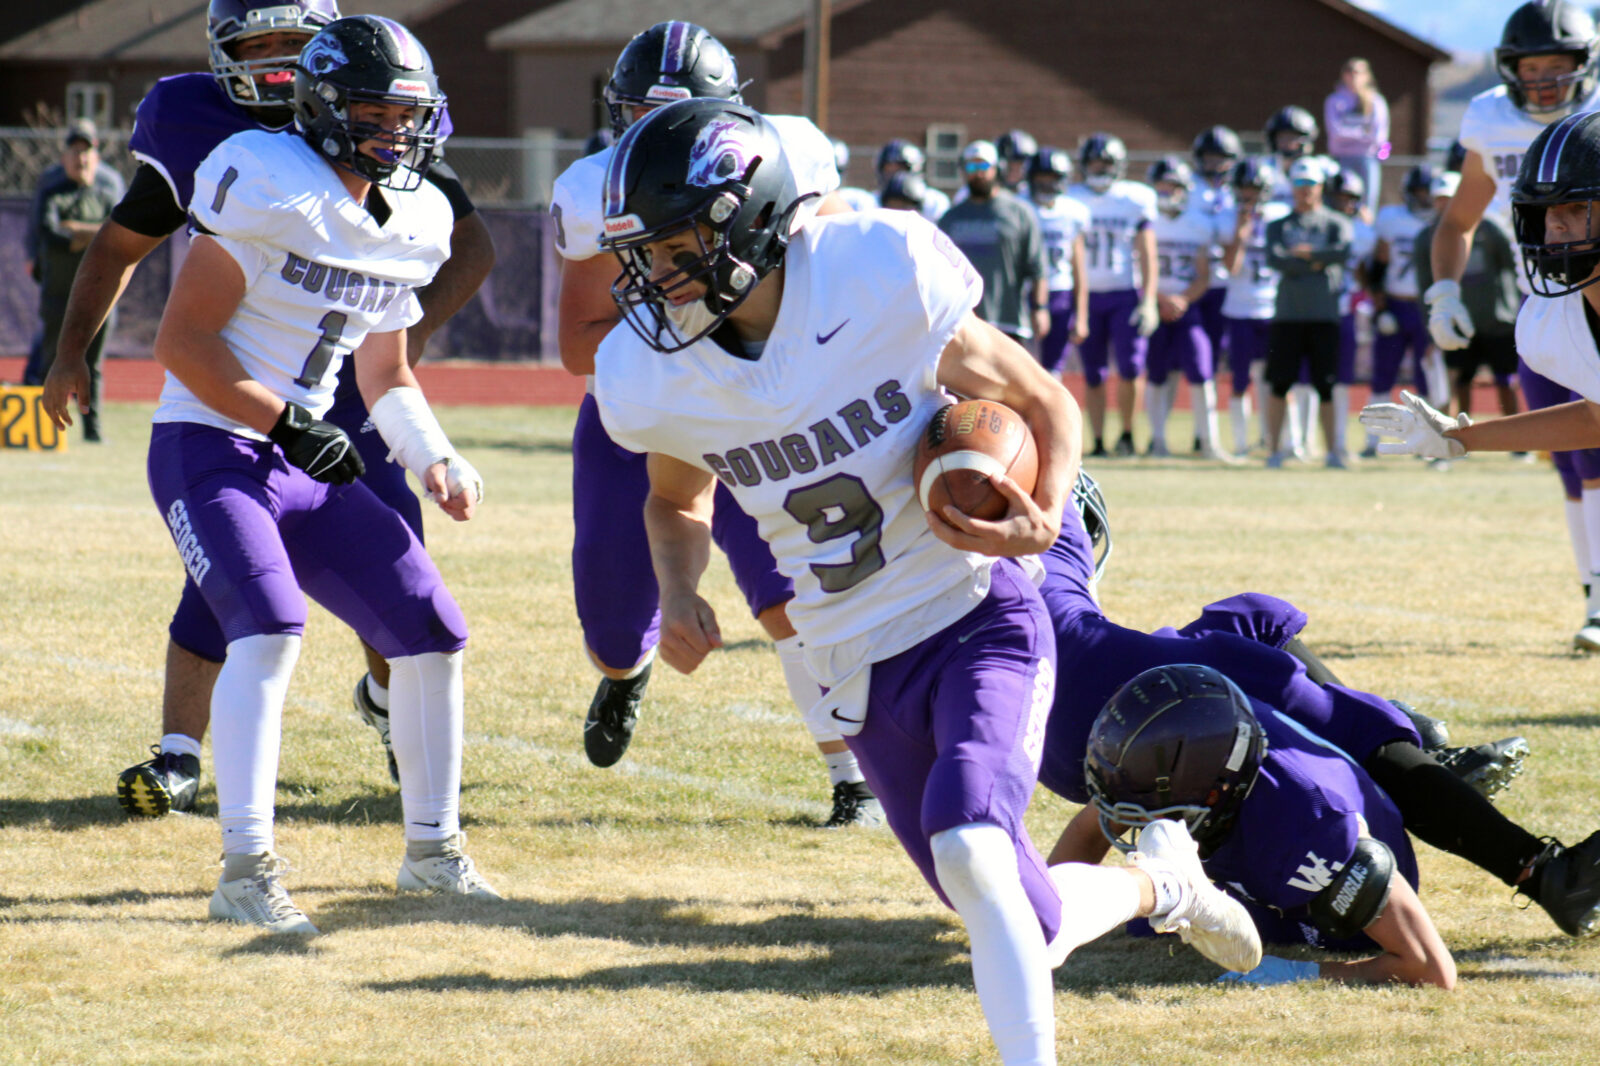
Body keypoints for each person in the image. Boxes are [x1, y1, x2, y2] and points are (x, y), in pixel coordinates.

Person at [591, 97, 1261, 1066]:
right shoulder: (663, 375)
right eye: (642, 250)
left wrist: (1045, 512)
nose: (654, 273)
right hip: (850, 660)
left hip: (974, 613)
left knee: (972, 848)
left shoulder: (874, 273)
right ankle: (1162, 883)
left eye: (674, 241)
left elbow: (1040, 397)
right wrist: (678, 585)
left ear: (750, 219)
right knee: (1008, 914)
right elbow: (673, 501)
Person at [42, 0, 495, 817]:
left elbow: (458, 257)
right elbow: (133, 268)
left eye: (298, 42)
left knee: (405, 582)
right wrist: (71, 351)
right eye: (264, 44)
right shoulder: (234, 149)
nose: (282, 58)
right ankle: (191, 765)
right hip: (230, 398)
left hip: (340, 384)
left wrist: (403, 350)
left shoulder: (390, 137)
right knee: (240, 582)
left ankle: (401, 725)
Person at [148, 15, 499, 933]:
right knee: (267, 628)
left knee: (432, 632)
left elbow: (385, 374)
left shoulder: (416, 213)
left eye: (408, 116)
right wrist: (290, 424)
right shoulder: (263, 178)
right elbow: (181, 343)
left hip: (306, 454)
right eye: (378, 114)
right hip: (213, 444)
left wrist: (434, 456)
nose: (397, 133)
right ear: (327, 108)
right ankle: (245, 871)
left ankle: (433, 852)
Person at [547, 21, 882, 828]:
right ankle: (625, 676)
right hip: (652, 406)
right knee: (614, 624)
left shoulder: (788, 153)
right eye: (641, 119)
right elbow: (578, 344)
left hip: (763, 399)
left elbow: (837, 271)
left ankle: (853, 778)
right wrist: (689, 357)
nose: (659, 138)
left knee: (787, 589)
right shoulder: (597, 188)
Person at [1072, 664, 1600, 987]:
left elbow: (1431, 968)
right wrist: (1045, 907)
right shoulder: (1213, 742)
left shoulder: (1311, 828)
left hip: (1320, 900)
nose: (1123, 814)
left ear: (1214, 789)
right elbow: (1097, 818)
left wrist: (1299, 973)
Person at [1427, 0, 1600, 649]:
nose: (1545, 80)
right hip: (1548, 298)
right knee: (1572, 456)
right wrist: (1444, 289)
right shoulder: (1488, 119)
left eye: (1559, 66)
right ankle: (1593, 593)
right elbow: (1459, 220)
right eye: (1532, 67)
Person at [29, 120, 125, 442]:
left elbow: (121, 235)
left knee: (93, 367)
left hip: (100, 297)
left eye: (87, 152)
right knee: (50, 361)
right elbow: (52, 234)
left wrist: (79, 231)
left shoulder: (109, 190)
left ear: (96, 157)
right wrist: (97, 233)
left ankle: (93, 432)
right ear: (64, 156)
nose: (81, 158)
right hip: (58, 295)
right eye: (75, 151)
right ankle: (42, 432)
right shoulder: (52, 190)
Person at [1067, 132, 1160, 458]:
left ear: (1118, 165)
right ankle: (1097, 441)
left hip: (1124, 293)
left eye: (1105, 162)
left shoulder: (1134, 198)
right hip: (1087, 296)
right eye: (1094, 162)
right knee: (1093, 373)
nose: (1099, 167)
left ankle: (1127, 434)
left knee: (1132, 367)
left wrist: (1149, 299)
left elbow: (1148, 252)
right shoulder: (1072, 197)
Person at [1263, 157, 1352, 467]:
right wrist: (1317, 262)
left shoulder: (1335, 222)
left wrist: (1305, 254)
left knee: (1326, 385)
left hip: (1323, 314)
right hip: (1287, 314)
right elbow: (1275, 259)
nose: (1305, 191)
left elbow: (1341, 252)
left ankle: (1332, 451)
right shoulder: (1279, 225)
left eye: (1310, 185)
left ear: (1320, 186)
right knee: (1279, 383)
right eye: (1299, 184)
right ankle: (1273, 451)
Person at [1414, 171, 1522, 424]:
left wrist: (1512, 310)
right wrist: (1432, 326)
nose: (1443, 204)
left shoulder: (1491, 228)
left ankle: (1519, 443)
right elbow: (1424, 286)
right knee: (1458, 380)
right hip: (1458, 319)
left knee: (1506, 378)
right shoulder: (1426, 237)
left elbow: (1514, 268)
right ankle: (1459, 438)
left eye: (1448, 198)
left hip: (1496, 320)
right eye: (1439, 198)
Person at [1142, 155, 1227, 460]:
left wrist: (1182, 299)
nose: (1169, 193)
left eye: (1174, 187)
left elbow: (1204, 275)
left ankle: (1209, 442)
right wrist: (1160, 299)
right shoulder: (1146, 220)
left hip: (1186, 307)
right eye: (1163, 187)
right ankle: (1157, 441)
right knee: (1156, 373)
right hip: (1153, 305)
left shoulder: (1198, 225)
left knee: (1202, 368)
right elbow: (1136, 268)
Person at [1363, 163, 1442, 457]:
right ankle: (1373, 441)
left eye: (1427, 193)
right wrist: (1380, 305)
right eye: (1419, 192)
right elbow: (1378, 265)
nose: (1423, 198)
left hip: (1426, 307)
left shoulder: (1443, 220)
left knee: (1427, 377)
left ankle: (1426, 443)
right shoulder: (1391, 219)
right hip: (1396, 304)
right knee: (1383, 373)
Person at [938, 140, 1049, 346]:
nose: (978, 173)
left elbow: (1037, 268)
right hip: (963, 322)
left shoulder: (1019, 213)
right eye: (971, 167)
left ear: (997, 169)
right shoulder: (950, 218)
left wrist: (1040, 308)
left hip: (1009, 319)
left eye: (983, 166)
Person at [1220, 157, 1289, 456]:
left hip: (1274, 309)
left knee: (1278, 379)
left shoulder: (1281, 215)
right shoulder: (1226, 217)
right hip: (1240, 309)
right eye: (1244, 188)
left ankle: (1281, 440)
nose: (1248, 195)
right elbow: (1229, 268)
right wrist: (1240, 233)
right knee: (1239, 380)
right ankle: (1240, 444)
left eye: (1254, 189)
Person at [1020, 146, 1090, 380]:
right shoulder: (1019, 207)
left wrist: (1081, 315)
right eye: (1041, 178)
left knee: (1053, 370)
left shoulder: (1073, 212)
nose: (1047, 184)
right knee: (1018, 364)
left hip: (1060, 292)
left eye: (1053, 178)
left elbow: (1079, 267)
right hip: (1023, 292)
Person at [1325, 166, 1376, 463]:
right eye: (1339, 197)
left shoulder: (1365, 232)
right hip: (1320, 308)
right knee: (1311, 378)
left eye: (1349, 197)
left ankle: (1340, 442)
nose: (1344, 203)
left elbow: (1366, 272)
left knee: (1343, 378)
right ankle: (1304, 441)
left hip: (1348, 308)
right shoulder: (1320, 224)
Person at [1190, 126, 1241, 384]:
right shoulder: (1190, 188)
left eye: (1221, 158)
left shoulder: (1237, 192)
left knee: (1219, 350)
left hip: (1225, 279)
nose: (1215, 164)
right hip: (1192, 277)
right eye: (1210, 158)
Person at [1324, 58, 1390, 215]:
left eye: (1358, 72)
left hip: (1368, 160)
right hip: (1341, 159)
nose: (1353, 76)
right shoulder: (1334, 101)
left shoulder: (1376, 102)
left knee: (1367, 206)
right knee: (1339, 203)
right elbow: (1335, 133)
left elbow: (1380, 137)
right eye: (1349, 71)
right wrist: (1363, 133)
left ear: (1367, 75)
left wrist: (1351, 134)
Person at [876, 138, 950, 222]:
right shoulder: (871, 201)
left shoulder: (934, 202)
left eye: (901, 169)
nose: (896, 176)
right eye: (889, 171)